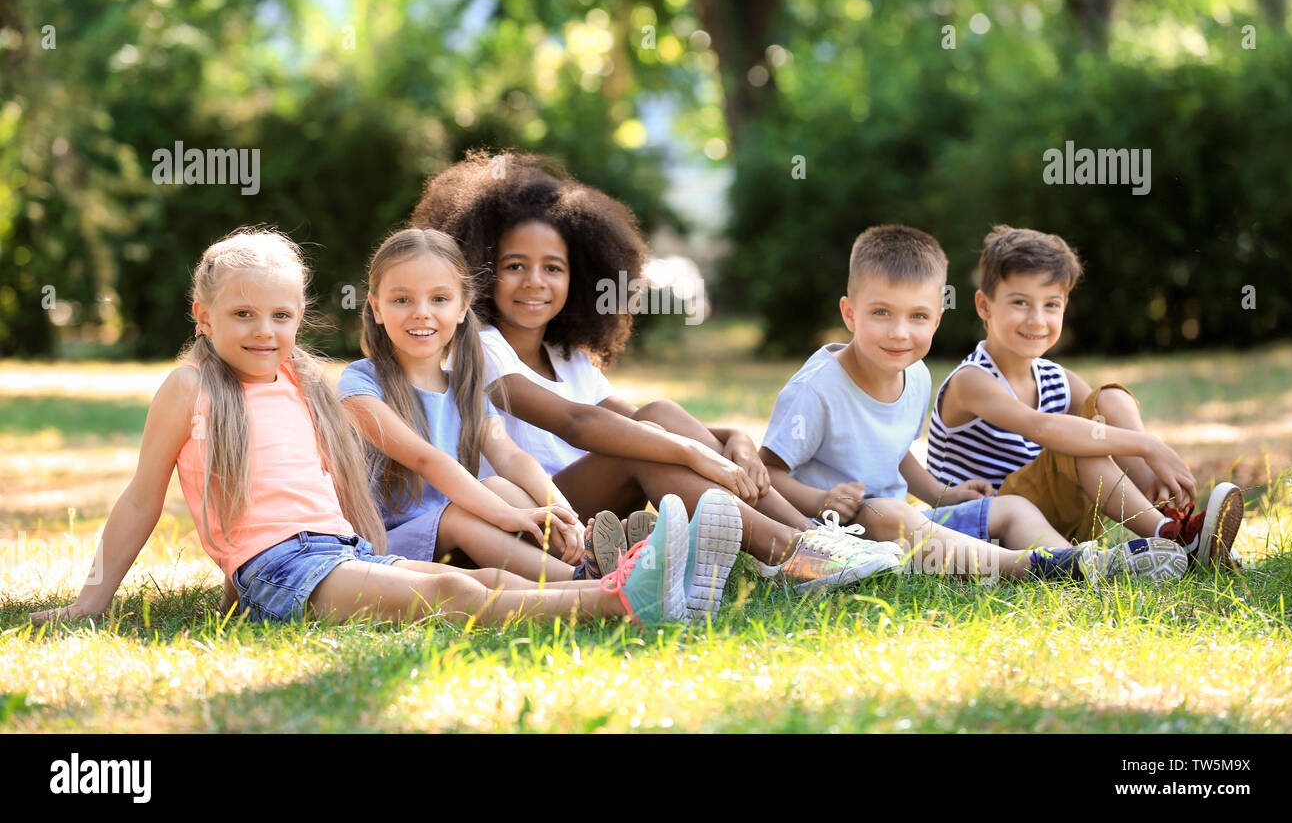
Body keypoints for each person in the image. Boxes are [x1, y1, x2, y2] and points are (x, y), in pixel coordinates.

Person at [28, 228, 735, 629]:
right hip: (283, 568)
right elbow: (142, 499)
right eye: (241, 315)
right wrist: (94, 598)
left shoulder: (304, 383)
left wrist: (362, 552)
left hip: (337, 550)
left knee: (487, 575)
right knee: (453, 595)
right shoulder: (189, 388)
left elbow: (338, 487)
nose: (263, 330)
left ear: (300, 316)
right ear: (202, 316)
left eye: (280, 315)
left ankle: (639, 587)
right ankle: (624, 602)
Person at [412, 150, 903, 602]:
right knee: (642, 449)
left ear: (578, 275)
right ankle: (788, 554)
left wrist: (735, 441)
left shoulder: (568, 357)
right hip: (521, 521)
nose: (535, 281)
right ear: (479, 270)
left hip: (586, 514)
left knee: (659, 415)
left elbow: (640, 420)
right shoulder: (477, 345)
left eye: (554, 268)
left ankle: (815, 538)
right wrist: (693, 451)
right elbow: (577, 424)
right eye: (514, 265)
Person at [759, 224, 1188, 584]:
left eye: (918, 317)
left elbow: (897, 453)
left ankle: (1077, 566)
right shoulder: (817, 390)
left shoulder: (915, 375)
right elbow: (769, 472)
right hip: (833, 537)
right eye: (881, 313)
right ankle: (1024, 566)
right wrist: (819, 502)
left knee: (1015, 508)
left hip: (912, 529)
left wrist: (942, 495)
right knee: (887, 511)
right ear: (850, 314)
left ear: (938, 318)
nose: (900, 333)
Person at [925, 225, 1242, 566]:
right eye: (1020, 303)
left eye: (1051, 304)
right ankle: (1175, 538)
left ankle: (1172, 516)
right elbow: (1042, 428)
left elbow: (1106, 417)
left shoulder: (1056, 378)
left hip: (1053, 521)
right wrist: (1149, 446)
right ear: (984, 306)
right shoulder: (971, 380)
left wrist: (1148, 458)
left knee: (1109, 398)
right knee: (1076, 443)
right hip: (985, 529)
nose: (1037, 319)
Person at [336, 227, 584, 583]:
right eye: (402, 300)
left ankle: (593, 554)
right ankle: (585, 583)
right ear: (377, 308)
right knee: (464, 515)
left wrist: (562, 510)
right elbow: (425, 459)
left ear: (462, 307)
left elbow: (512, 456)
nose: (421, 313)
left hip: (459, 535)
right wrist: (506, 517)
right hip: (384, 549)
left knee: (499, 485)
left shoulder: (464, 391)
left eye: (439, 299)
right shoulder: (359, 384)